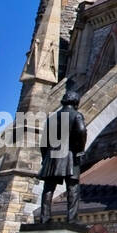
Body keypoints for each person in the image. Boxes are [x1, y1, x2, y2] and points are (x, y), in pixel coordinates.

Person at [38, 87, 88, 225]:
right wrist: (80, 149)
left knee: (48, 188)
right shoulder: (76, 115)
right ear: (76, 102)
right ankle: (71, 219)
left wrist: (45, 158)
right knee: (72, 187)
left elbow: (44, 142)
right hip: (70, 155)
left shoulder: (52, 117)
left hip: (52, 155)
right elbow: (82, 131)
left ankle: (44, 218)